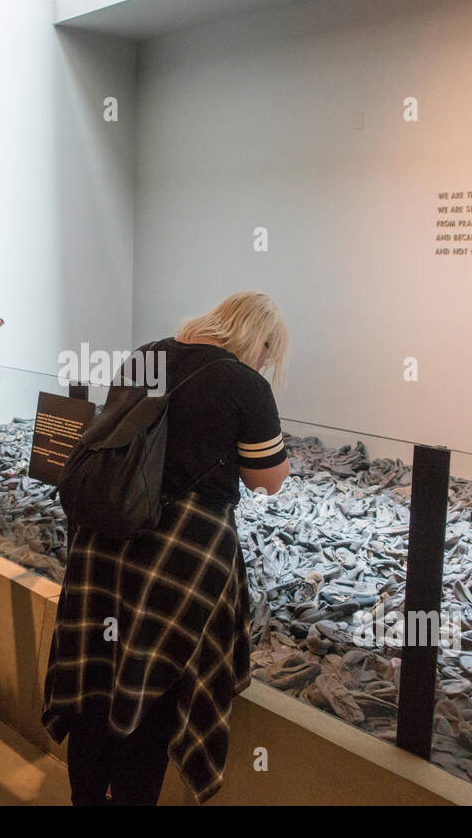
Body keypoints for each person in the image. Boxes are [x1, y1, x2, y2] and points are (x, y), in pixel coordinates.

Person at [41, 291, 291, 806]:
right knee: (151, 691)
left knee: (93, 677)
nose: (268, 361)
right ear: (257, 340)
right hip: (178, 556)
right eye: (270, 350)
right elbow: (267, 480)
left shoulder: (147, 354)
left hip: (106, 538)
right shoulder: (246, 385)